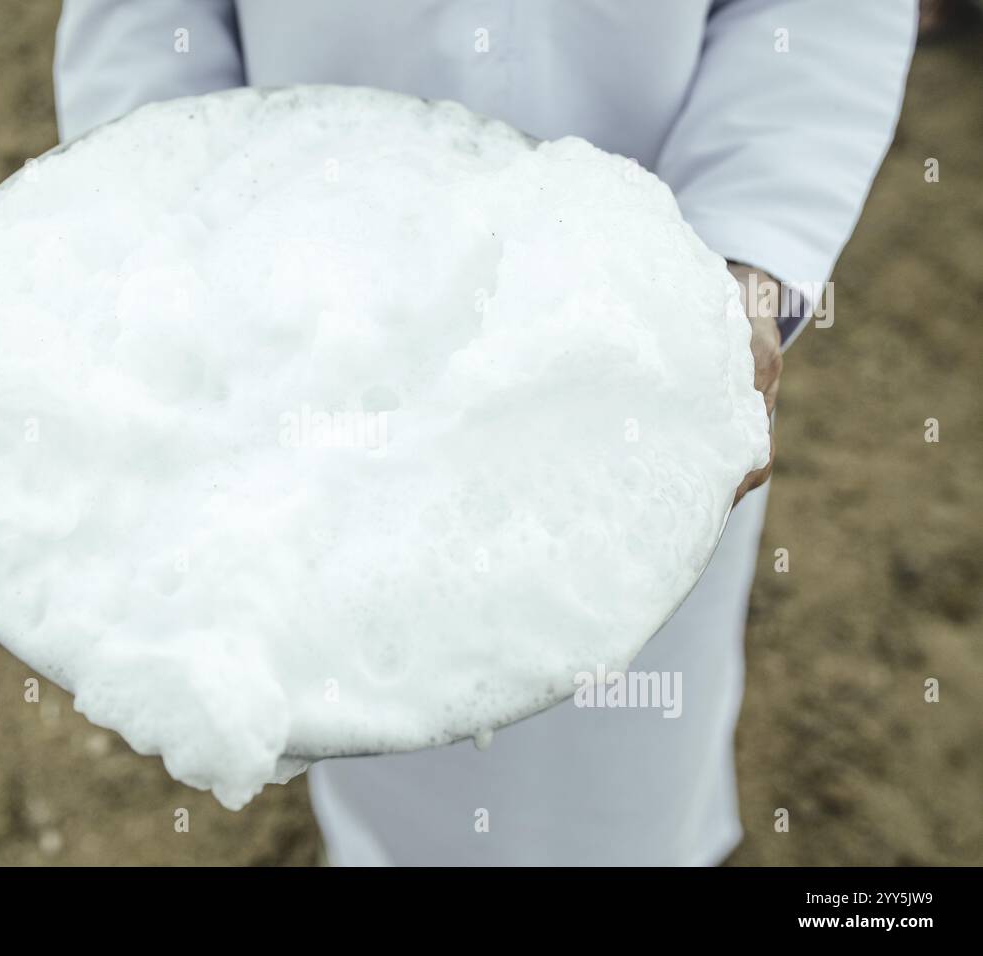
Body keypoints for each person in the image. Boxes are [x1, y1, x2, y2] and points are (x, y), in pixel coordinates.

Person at [53, 0, 916, 865]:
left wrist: (745, 259)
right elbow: (146, 26)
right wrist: (183, 246)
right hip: (306, 341)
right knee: (385, 700)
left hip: (650, 355)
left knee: (625, 761)